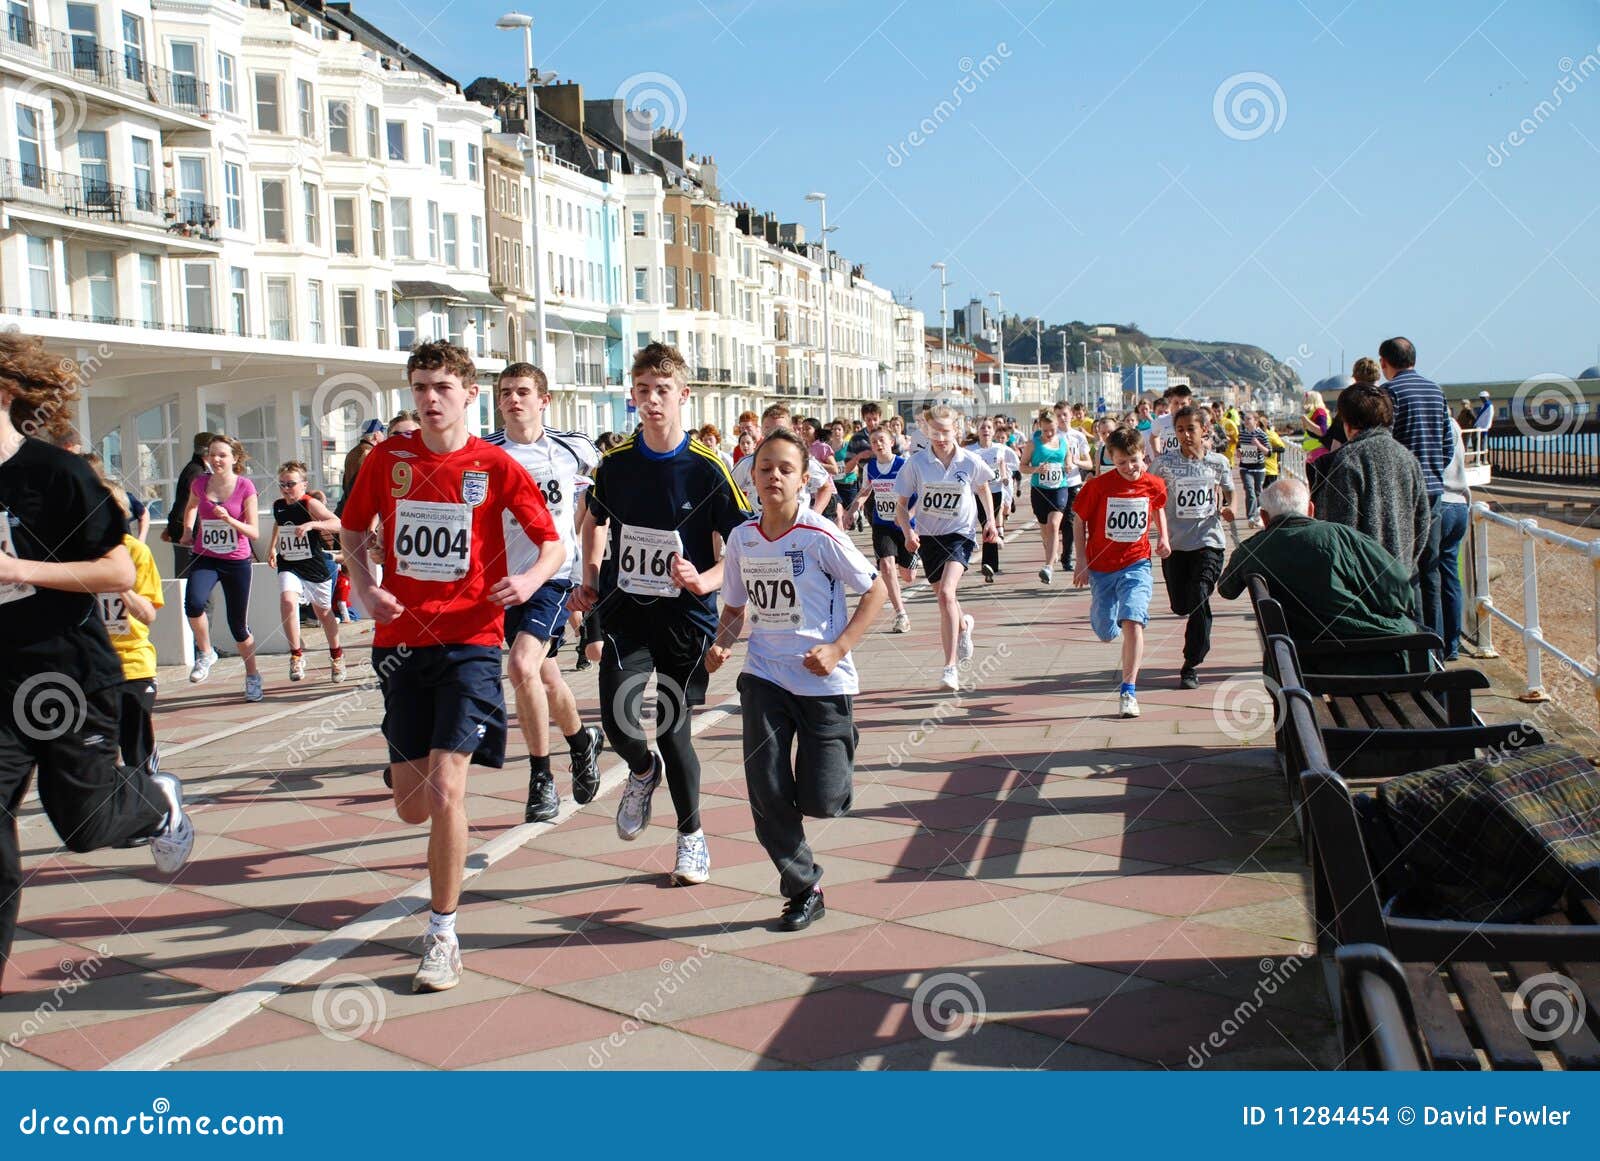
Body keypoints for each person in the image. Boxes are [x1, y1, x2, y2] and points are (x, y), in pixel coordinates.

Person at [340, 340, 565, 993]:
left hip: (472, 639)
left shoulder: (494, 464)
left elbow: (550, 542)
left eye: (442, 386)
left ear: (469, 392)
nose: (430, 399)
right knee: (412, 805)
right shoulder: (388, 460)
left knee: (447, 791)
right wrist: (363, 581)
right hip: (401, 641)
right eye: (419, 387)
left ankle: (442, 932)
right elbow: (353, 533)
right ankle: (402, 764)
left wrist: (527, 582)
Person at [0, 334, 192, 990]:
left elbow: (116, 569)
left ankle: (157, 798)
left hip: (68, 672)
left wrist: (17, 568)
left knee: (84, 825)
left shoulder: (55, 472)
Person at [571, 342, 752, 888]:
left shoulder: (706, 467)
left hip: (686, 618)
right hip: (627, 611)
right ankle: (640, 771)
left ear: (684, 396)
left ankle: (691, 837)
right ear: (633, 395)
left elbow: (741, 546)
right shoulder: (617, 464)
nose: (653, 401)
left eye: (663, 391)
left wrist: (707, 580)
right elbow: (593, 520)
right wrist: (589, 576)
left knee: (674, 730)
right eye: (644, 391)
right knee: (619, 723)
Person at [705, 429, 885, 932]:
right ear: (752, 479)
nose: (774, 477)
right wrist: (723, 642)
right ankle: (804, 886)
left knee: (821, 801)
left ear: (805, 480)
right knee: (764, 787)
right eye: (765, 469)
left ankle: (840, 743)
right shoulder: (742, 537)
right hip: (764, 673)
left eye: (785, 469)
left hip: (822, 680)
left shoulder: (820, 534)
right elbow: (736, 607)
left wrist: (838, 648)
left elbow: (873, 592)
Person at [486, 364, 607, 822]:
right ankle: (582, 741)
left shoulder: (573, 448)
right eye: (505, 393)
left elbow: (604, 499)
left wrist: (589, 573)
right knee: (545, 677)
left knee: (520, 665)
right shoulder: (484, 453)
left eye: (522, 392)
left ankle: (541, 778)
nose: (513, 401)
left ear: (544, 399)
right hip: (503, 581)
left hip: (552, 576)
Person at [1218, 478, 1420, 673]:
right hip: (1365, 655)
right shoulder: (1340, 535)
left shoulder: (1251, 550)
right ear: (1311, 510)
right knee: (1416, 632)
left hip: (1296, 663)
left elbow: (1226, 589)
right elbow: (1400, 592)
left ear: (1264, 516)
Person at [894, 405, 998, 692]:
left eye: (946, 431)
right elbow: (901, 508)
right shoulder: (916, 464)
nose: (940, 437)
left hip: (960, 535)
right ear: (927, 432)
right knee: (943, 597)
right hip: (929, 538)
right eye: (935, 432)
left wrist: (990, 520)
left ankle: (949, 667)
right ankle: (964, 627)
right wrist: (908, 532)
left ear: (957, 430)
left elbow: (983, 489)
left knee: (947, 595)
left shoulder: (969, 460)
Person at [1072, 425, 1170, 717]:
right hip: (1101, 568)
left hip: (1137, 563)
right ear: (1111, 460)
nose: (1129, 467)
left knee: (1133, 620)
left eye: (1134, 460)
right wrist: (1081, 561)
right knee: (1106, 632)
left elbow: (1157, 508)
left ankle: (1128, 691)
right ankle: (1102, 612)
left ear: (1144, 455)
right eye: (1121, 462)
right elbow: (1078, 522)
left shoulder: (1154, 484)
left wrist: (1163, 536)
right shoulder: (1097, 487)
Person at [1312, 382, 1430, 589]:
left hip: (1359, 588)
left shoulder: (1348, 460)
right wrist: (1407, 567)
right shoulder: (1408, 459)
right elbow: (1423, 520)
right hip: (1399, 580)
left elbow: (1338, 530)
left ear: (1347, 423)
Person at [1150, 406, 1234, 690]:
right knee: (1181, 605)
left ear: (1205, 430)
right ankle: (1192, 644)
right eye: (1181, 429)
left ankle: (1191, 664)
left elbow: (1230, 490)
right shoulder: (1163, 464)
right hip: (1175, 545)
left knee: (1199, 595)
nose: (1186, 435)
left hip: (1209, 541)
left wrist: (1229, 507)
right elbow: (1147, 493)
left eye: (1191, 429)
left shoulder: (1218, 463)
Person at [179, 434, 263, 702]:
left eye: (222, 455)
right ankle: (206, 653)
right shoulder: (200, 483)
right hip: (206, 555)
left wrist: (230, 520)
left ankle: (252, 676)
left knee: (237, 625)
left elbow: (254, 532)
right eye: (212, 454)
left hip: (237, 560)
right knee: (193, 603)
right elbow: (191, 506)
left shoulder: (245, 487)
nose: (216, 459)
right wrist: (187, 530)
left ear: (234, 459)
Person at [97, 480, 164, 777]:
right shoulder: (75, 553)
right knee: (98, 752)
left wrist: (121, 586)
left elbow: (148, 614)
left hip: (133, 662)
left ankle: (153, 799)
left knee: (135, 749)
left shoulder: (136, 552)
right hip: (93, 664)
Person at [267, 461, 345, 683]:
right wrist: (272, 547)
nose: (285, 488)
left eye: (290, 484)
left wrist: (312, 525)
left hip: (314, 565)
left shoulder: (309, 504)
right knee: (287, 601)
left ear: (303, 484)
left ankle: (336, 654)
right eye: (281, 484)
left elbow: (337, 523)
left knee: (324, 614)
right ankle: (296, 655)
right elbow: (278, 524)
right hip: (289, 563)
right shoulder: (278, 505)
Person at [850, 426, 916, 633]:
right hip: (882, 524)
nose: (878, 444)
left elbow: (921, 495)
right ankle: (901, 614)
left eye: (882, 440)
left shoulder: (904, 465)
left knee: (908, 576)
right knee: (887, 566)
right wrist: (853, 508)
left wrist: (909, 515)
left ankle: (913, 560)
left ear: (891, 443)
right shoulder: (870, 468)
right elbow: (864, 492)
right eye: (874, 441)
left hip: (905, 525)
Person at [731, 404, 834, 516]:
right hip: (760, 527)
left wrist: (815, 514)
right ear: (762, 430)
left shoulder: (804, 461)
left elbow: (826, 487)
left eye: (780, 430)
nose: (774, 434)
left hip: (796, 527)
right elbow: (727, 490)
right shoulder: (749, 463)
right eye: (768, 429)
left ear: (790, 430)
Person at [1023, 408, 1073, 584]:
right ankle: (1051, 552)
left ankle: (1048, 567)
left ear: (1057, 426)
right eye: (1045, 430)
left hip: (1059, 488)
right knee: (1045, 531)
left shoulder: (1063, 441)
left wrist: (1068, 465)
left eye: (1052, 429)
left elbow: (1068, 459)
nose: (1049, 433)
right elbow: (1022, 466)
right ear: (1040, 427)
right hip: (1039, 490)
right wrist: (1035, 469)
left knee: (1053, 525)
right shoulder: (1033, 443)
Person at [1439, 419, 1472, 661]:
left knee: (1429, 577)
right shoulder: (1454, 424)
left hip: (1439, 502)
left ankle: (1435, 644)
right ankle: (1452, 645)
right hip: (1460, 503)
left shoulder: (1427, 422)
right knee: (1451, 576)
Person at [161, 431, 213, 578]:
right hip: (187, 530)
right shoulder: (197, 472)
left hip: (183, 527)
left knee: (190, 575)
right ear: (207, 451)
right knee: (189, 577)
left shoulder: (195, 469)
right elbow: (191, 503)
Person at [339, 418, 386, 512]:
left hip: (349, 504)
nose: (384, 436)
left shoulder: (352, 452)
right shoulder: (371, 453)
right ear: (376, 435)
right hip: (363, 507)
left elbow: (345, 483)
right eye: (382, 432)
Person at [1235, 410, 1271, 526]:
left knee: (1258, 492)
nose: (1245, 421)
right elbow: (1238, 447)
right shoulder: (1242, 434)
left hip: (1259, 468)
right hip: (1245, 467)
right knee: (1249, 491)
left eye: (1248, 419)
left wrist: (1258, 445)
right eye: (1244, 419)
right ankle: (1251, 517)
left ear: (1255, 421)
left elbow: (1269, 452)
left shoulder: (1262, 434)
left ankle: (1258, 515)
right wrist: (1239, 452)